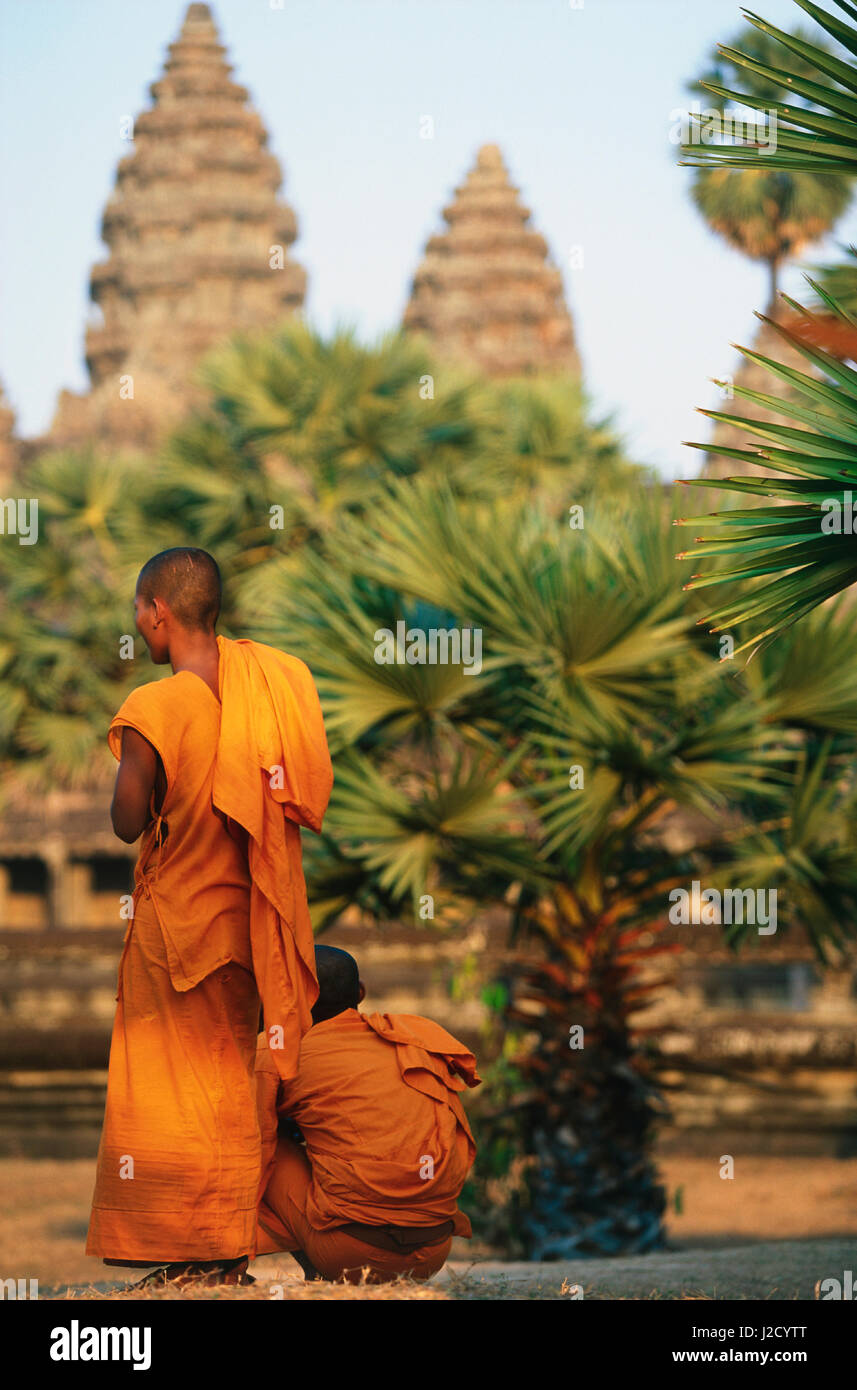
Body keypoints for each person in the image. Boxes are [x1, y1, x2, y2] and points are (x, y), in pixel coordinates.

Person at [86, 547, 333, 1288]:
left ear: (159, 612)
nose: (138, 623)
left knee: (170, 1094)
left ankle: (190, 1252)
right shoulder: (260, 690)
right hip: (244, 926)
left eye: (139, 610)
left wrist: (135, 765)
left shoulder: (156, 706)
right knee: (228, 1087)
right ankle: (225, 1253)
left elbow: (128, 822)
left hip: (177, 931)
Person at [255, 944, 481, 1284]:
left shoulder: (279, 1053)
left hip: (347, 1256)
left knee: (253, 1135)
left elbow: (242, 1131)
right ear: (360, 993)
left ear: (282, 997)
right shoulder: (413, 1039)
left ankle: (229, 1263)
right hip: (432, 1253)